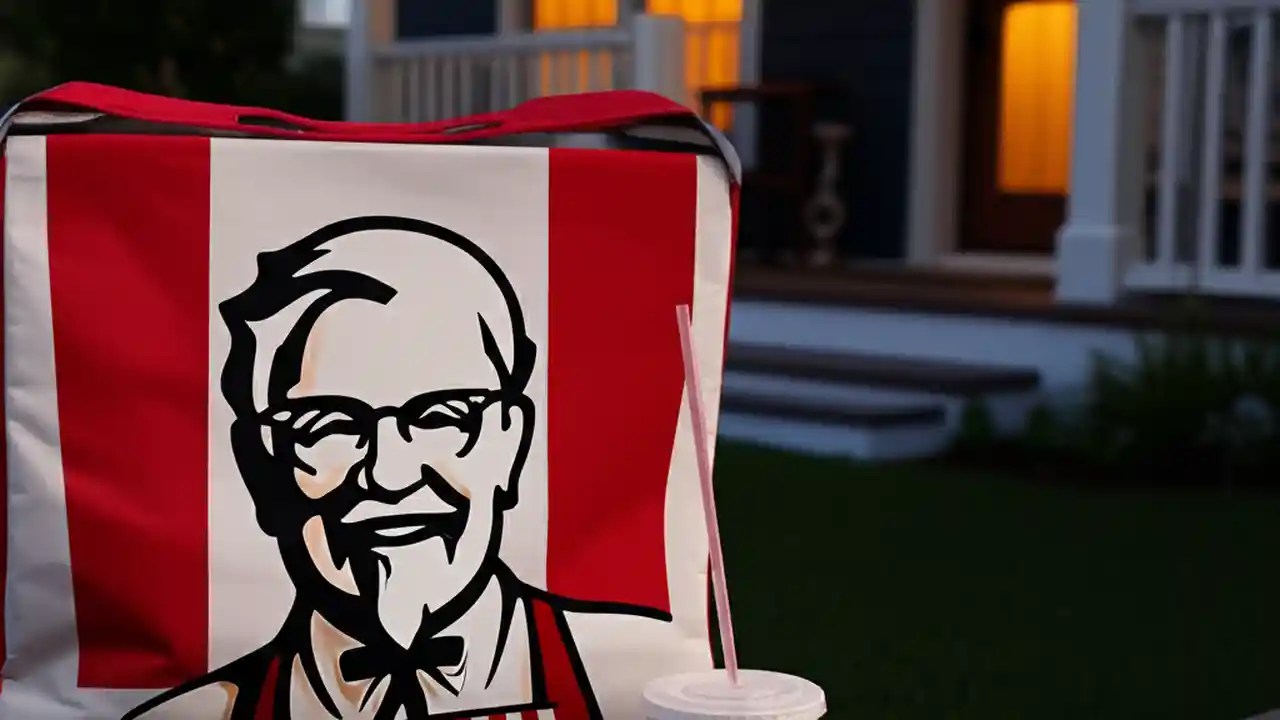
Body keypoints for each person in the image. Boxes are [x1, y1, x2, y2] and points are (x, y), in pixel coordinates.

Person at [126, 216, 662, 720]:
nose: (390, 474)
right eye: (329, 423)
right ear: (259, 467)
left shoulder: (641, 684)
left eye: (441, 416)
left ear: (510, 444)